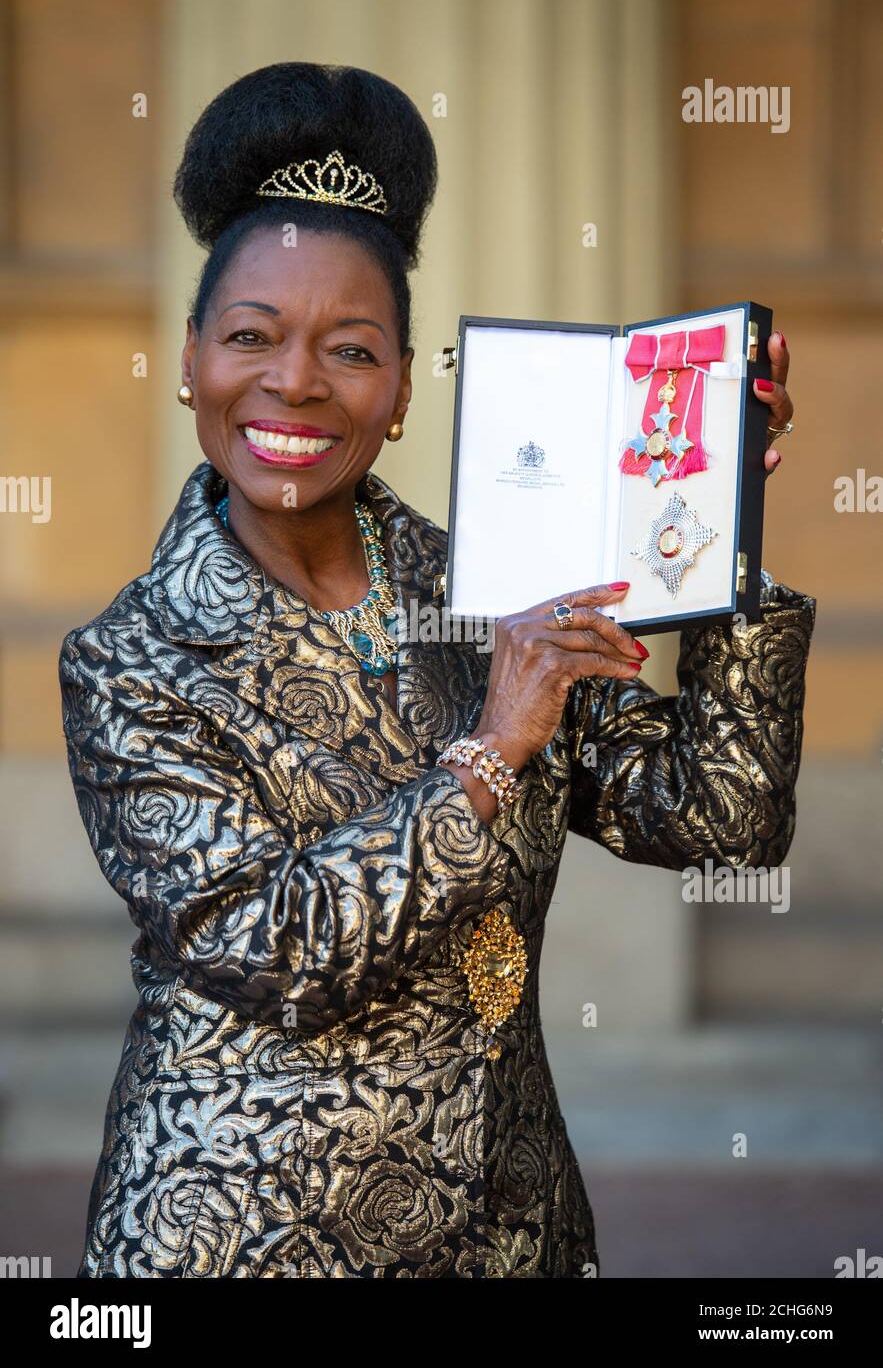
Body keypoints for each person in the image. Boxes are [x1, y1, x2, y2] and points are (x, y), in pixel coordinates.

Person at [59, 61, 813, 1278]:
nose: (295, 381)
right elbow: (278, 945)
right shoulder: (130, 660)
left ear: (403, 387)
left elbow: (721, 819)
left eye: (349, 349)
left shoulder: (503, 589)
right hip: (241, 1240)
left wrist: (721, 525)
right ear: (192, 358)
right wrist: (489, 750)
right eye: (251, 335)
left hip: (508, 1236)